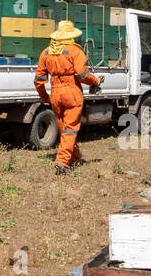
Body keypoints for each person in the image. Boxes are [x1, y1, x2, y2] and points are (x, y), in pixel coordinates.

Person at [34, 20, 104, 173]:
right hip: (71, 93)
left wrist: (44, 96)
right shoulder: (75, 50)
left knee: (64, 128)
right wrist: (95, 80)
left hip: (55, 94)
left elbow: (39, 80)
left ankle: (75, 157)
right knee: (70, 129)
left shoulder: (46, 52)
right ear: (71, 36)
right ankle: (62, 161)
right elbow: (82, 74)